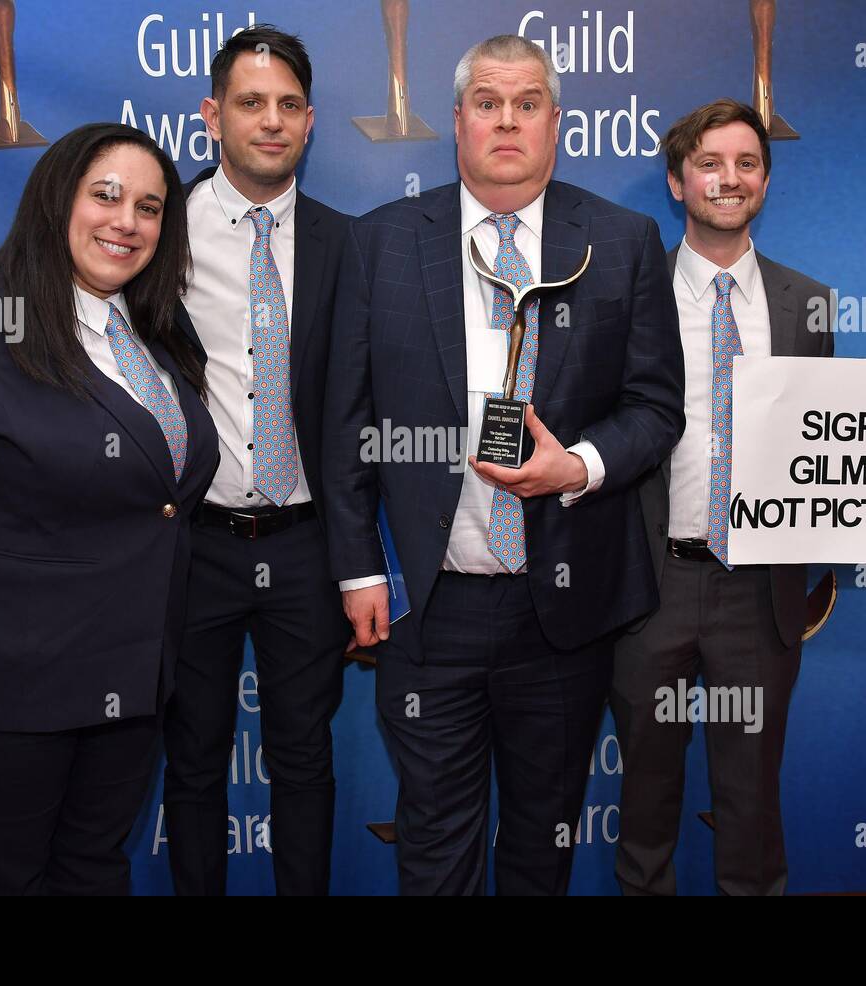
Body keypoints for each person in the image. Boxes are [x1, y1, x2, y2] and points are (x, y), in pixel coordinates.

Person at [323, 34, 685, 895]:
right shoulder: (381, 243)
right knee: (437, 845)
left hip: (562, 609)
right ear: (457, 122)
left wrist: (582, 466)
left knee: (540, 844)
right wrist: (356, 571)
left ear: (557, 123)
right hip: (428, 606)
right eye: (488, 103)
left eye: (528, 104)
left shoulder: (622, 240)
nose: (508, 121)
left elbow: (655, 409)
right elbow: (344, 424)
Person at [611, 98, 866, 896]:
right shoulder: (628, 296)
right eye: (711, 164)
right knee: (646, 796)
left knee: (751, 801)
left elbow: (838, 439)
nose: (730, 178)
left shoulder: (806, 302)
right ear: (679, 182)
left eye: (747, 164)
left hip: (759, 590)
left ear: (766, 180)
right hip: (650, 585)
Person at [0, 122, 219, 895]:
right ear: (57, 198)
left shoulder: (153, 330)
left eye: (151, 207)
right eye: (107, 196)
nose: (127, 221)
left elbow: (159, 505)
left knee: (92, 877)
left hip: (125, 693)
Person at [162, 25, 352, 896]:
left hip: (308, 544)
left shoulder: (348, 243)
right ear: (212, 116)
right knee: (192, 757)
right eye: (249, 103)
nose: (269, 122)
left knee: (304, 758)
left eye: (286, 106)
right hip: (188, 544)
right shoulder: (154, 234)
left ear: (309, 122)